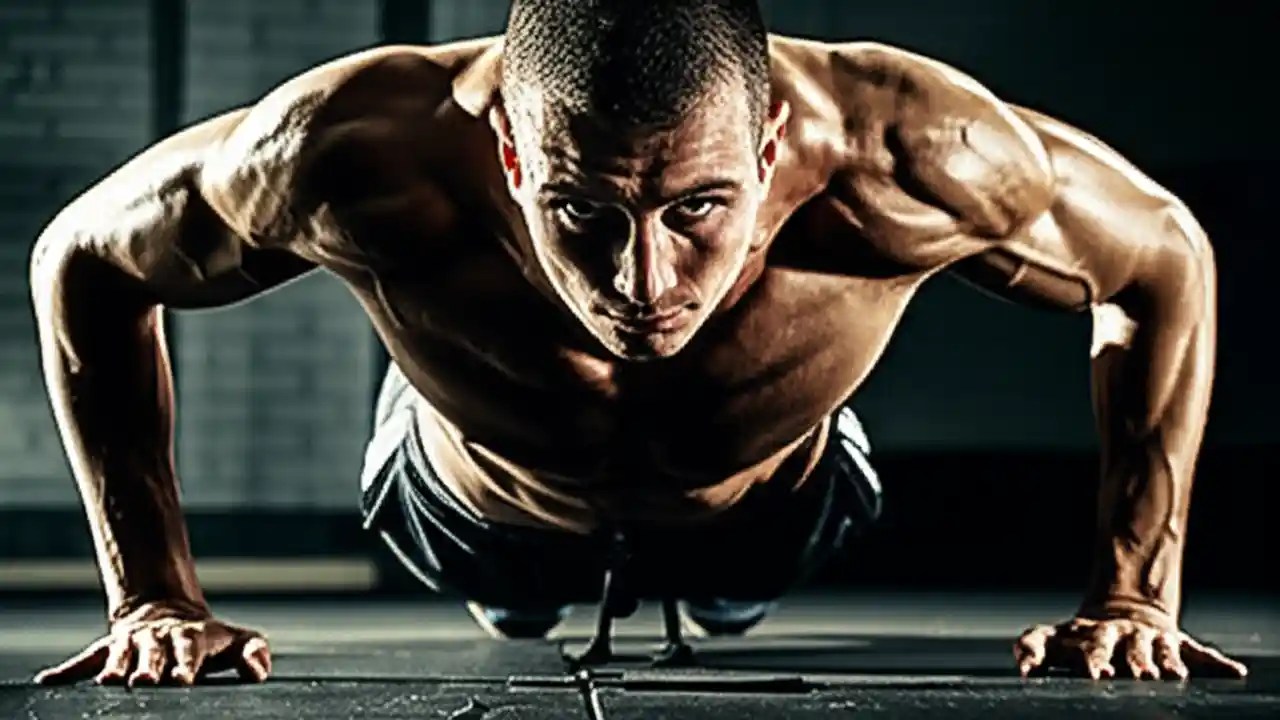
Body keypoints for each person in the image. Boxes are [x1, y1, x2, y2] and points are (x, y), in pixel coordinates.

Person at [29, 0, 1246, 687]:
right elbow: (82, 259)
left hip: (774, 501)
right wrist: (153, 597)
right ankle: (510, 572)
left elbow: (1159, 257)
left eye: (696, 209)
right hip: (472, 504)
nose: (641, 282)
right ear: (512, 155)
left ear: (767, 147)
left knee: (736, 594)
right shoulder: (356, 150)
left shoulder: (913, 157)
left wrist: (1130, 595)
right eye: (584, 214)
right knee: (507, 603)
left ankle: (722, 582)